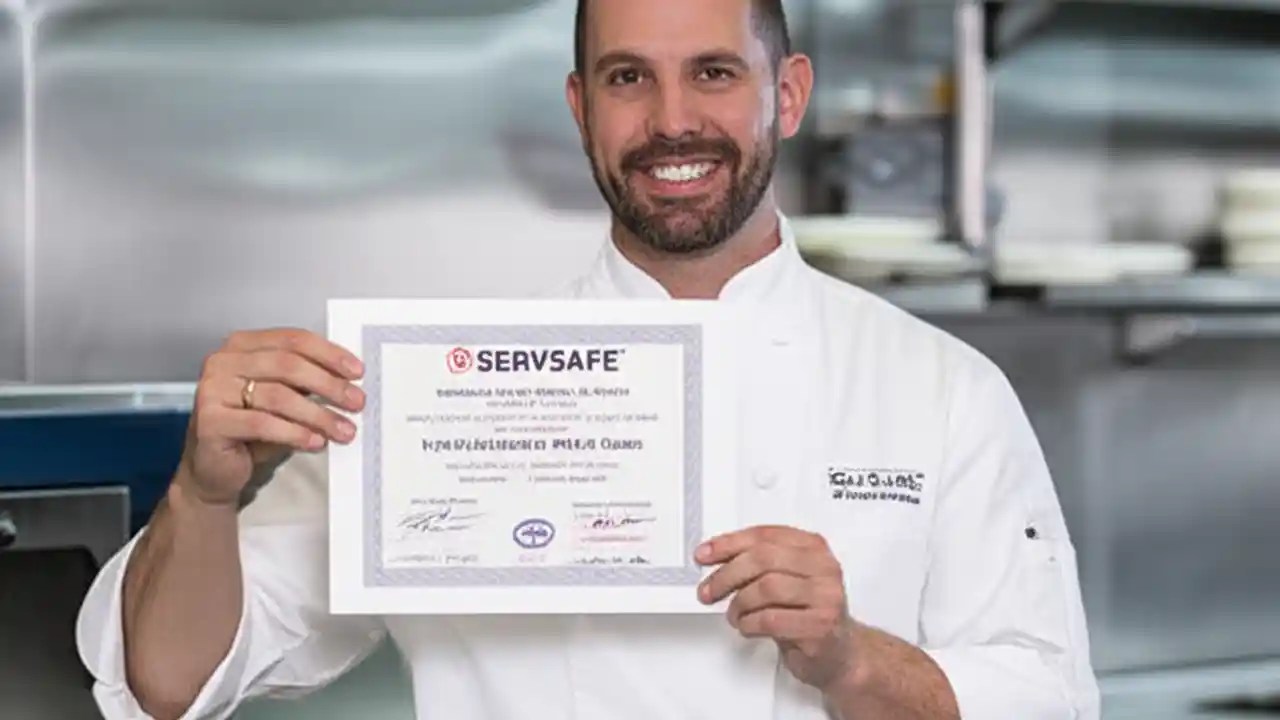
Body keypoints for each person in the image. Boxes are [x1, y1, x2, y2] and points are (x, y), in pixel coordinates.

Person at [76, 0, 1100, 717]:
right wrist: (203, 498)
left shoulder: (941, 390)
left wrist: (847, 659)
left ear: (786, 95)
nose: (671, 122)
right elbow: (167, 683)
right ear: (580, 108)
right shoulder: (434, 389)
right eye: (627, 78)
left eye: (712, 72)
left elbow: (1047, 699)